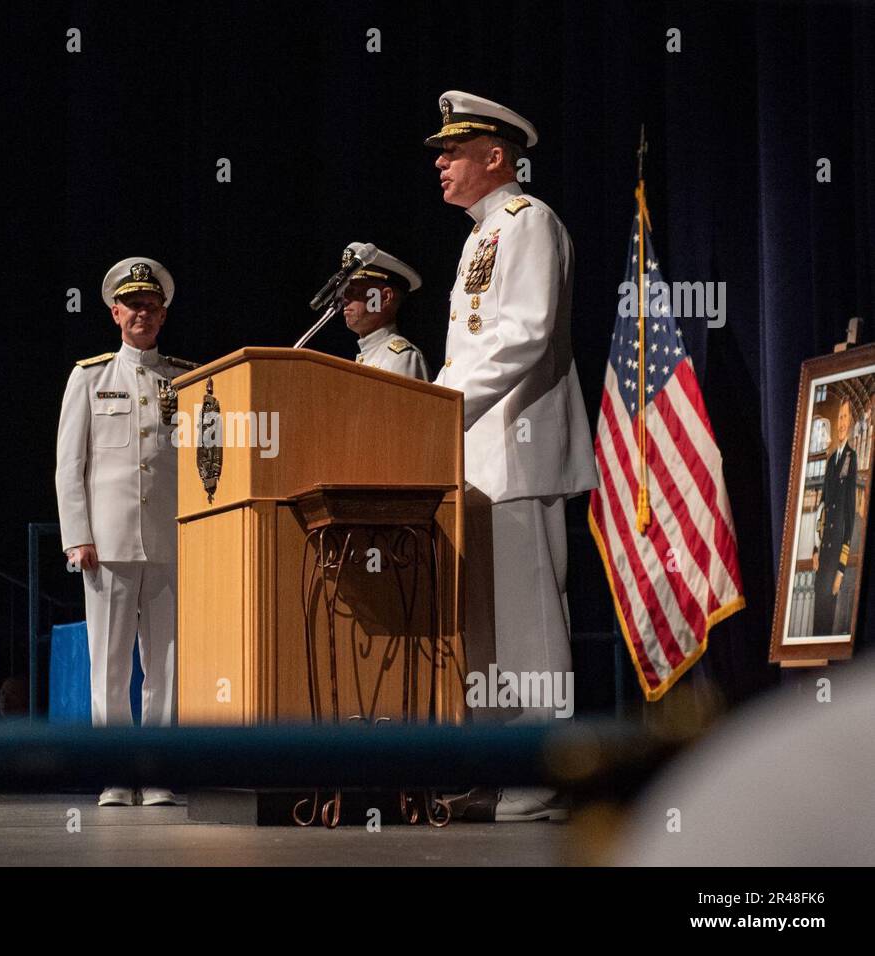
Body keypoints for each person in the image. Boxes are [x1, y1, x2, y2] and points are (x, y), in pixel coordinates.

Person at [425, 91, 597, 822]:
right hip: (478, 455)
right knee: (487, 628)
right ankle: (500, 768)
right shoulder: (481, 234)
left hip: (521, 451)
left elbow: (524, 335)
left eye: (453, 152)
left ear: (496, 157)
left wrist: (438, 405)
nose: (440, 163)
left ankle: (546, 772)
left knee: (530, 623)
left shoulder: (530, 223)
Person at [55, 257, 197, 808]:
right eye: (133, 304)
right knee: (109, 664)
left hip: (170, 537)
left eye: (151, 305)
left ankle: (157, 772)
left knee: (165, 662)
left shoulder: (187, 377)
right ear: (116, 313)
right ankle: (115, 773)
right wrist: (77, 535)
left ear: (162, 314)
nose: (143, 312)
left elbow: (201, 462)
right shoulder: (90, 375)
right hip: (107, 542)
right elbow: (71, 465)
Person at [336, 243, 429, 380]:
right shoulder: (369, 353)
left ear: (385, 297)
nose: (345, 299)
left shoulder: (402, 357)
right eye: (345, 292)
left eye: (354, 291)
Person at [812, 397, 858, 636]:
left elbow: (849, 517)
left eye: (845, 417)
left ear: (850, 421)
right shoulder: (831, 462)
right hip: (822, 556)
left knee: (826, 623)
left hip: (835, 560)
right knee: (815, 619)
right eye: (839, 417)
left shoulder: (852, 459)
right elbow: (821, 506)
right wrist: (815, 549)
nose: (841, 422)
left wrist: (841, 569)